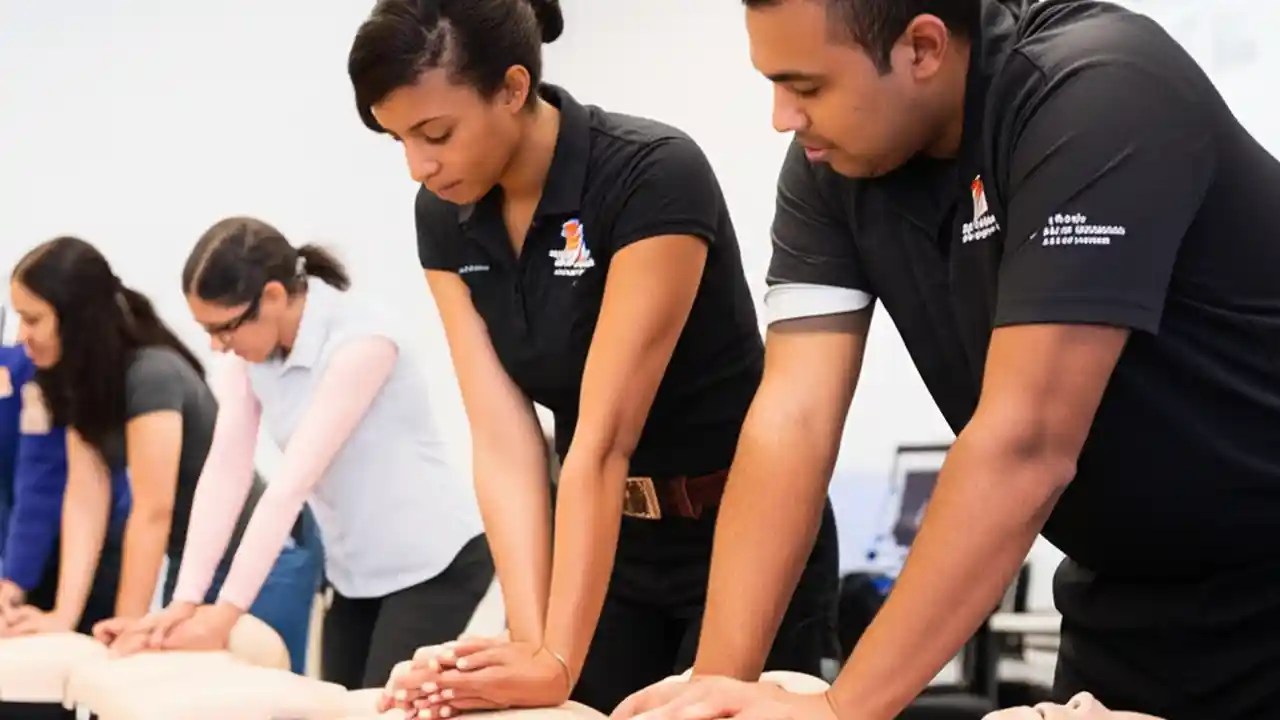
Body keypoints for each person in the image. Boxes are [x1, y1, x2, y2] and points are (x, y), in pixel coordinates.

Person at [616, 0, 1280, 718]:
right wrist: (717, 688)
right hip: (1125, 602)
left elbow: (1025, 444)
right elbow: (792, 422)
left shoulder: (1095, 91)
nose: (782, 116)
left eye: (806, 87)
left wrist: (841, 710)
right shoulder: (830, 165)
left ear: (923, 48)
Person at [348, 0, 840, 714]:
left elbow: (606, 439)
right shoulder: (445, 217)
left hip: (740, 525)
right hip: (611, 547)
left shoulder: (649, 174)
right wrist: (531, 642)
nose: (418, 167)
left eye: (435, 134)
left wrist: (555, 657)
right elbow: (504, 439)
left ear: (513, 89)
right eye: (397, 141)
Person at [131, 215, 492, 689]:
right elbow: (225, 473)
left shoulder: (362, 342)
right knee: (334, 703)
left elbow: (288, 488)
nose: (218, 347)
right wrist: (184, 602)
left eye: (224, 329)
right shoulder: (249, 356)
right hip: (354, 572)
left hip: (435, 562)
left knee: (377, 708)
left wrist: (225, 615)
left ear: (275, 297)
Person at [6, 237, 317, 670]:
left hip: (265, 557)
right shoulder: (76, 385)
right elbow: (83, 502)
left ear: (74, 318)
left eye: (32, 319)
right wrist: (63, 617)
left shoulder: (151, 373)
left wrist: (127, 626)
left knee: (261, 697)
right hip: (193, 563)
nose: (22, 336)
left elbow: (152, 511)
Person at [0, 344, 132, 635]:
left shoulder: (32, 371)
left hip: (88, 542)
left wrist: (14, 579)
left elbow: (41, 485)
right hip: (22, 546)